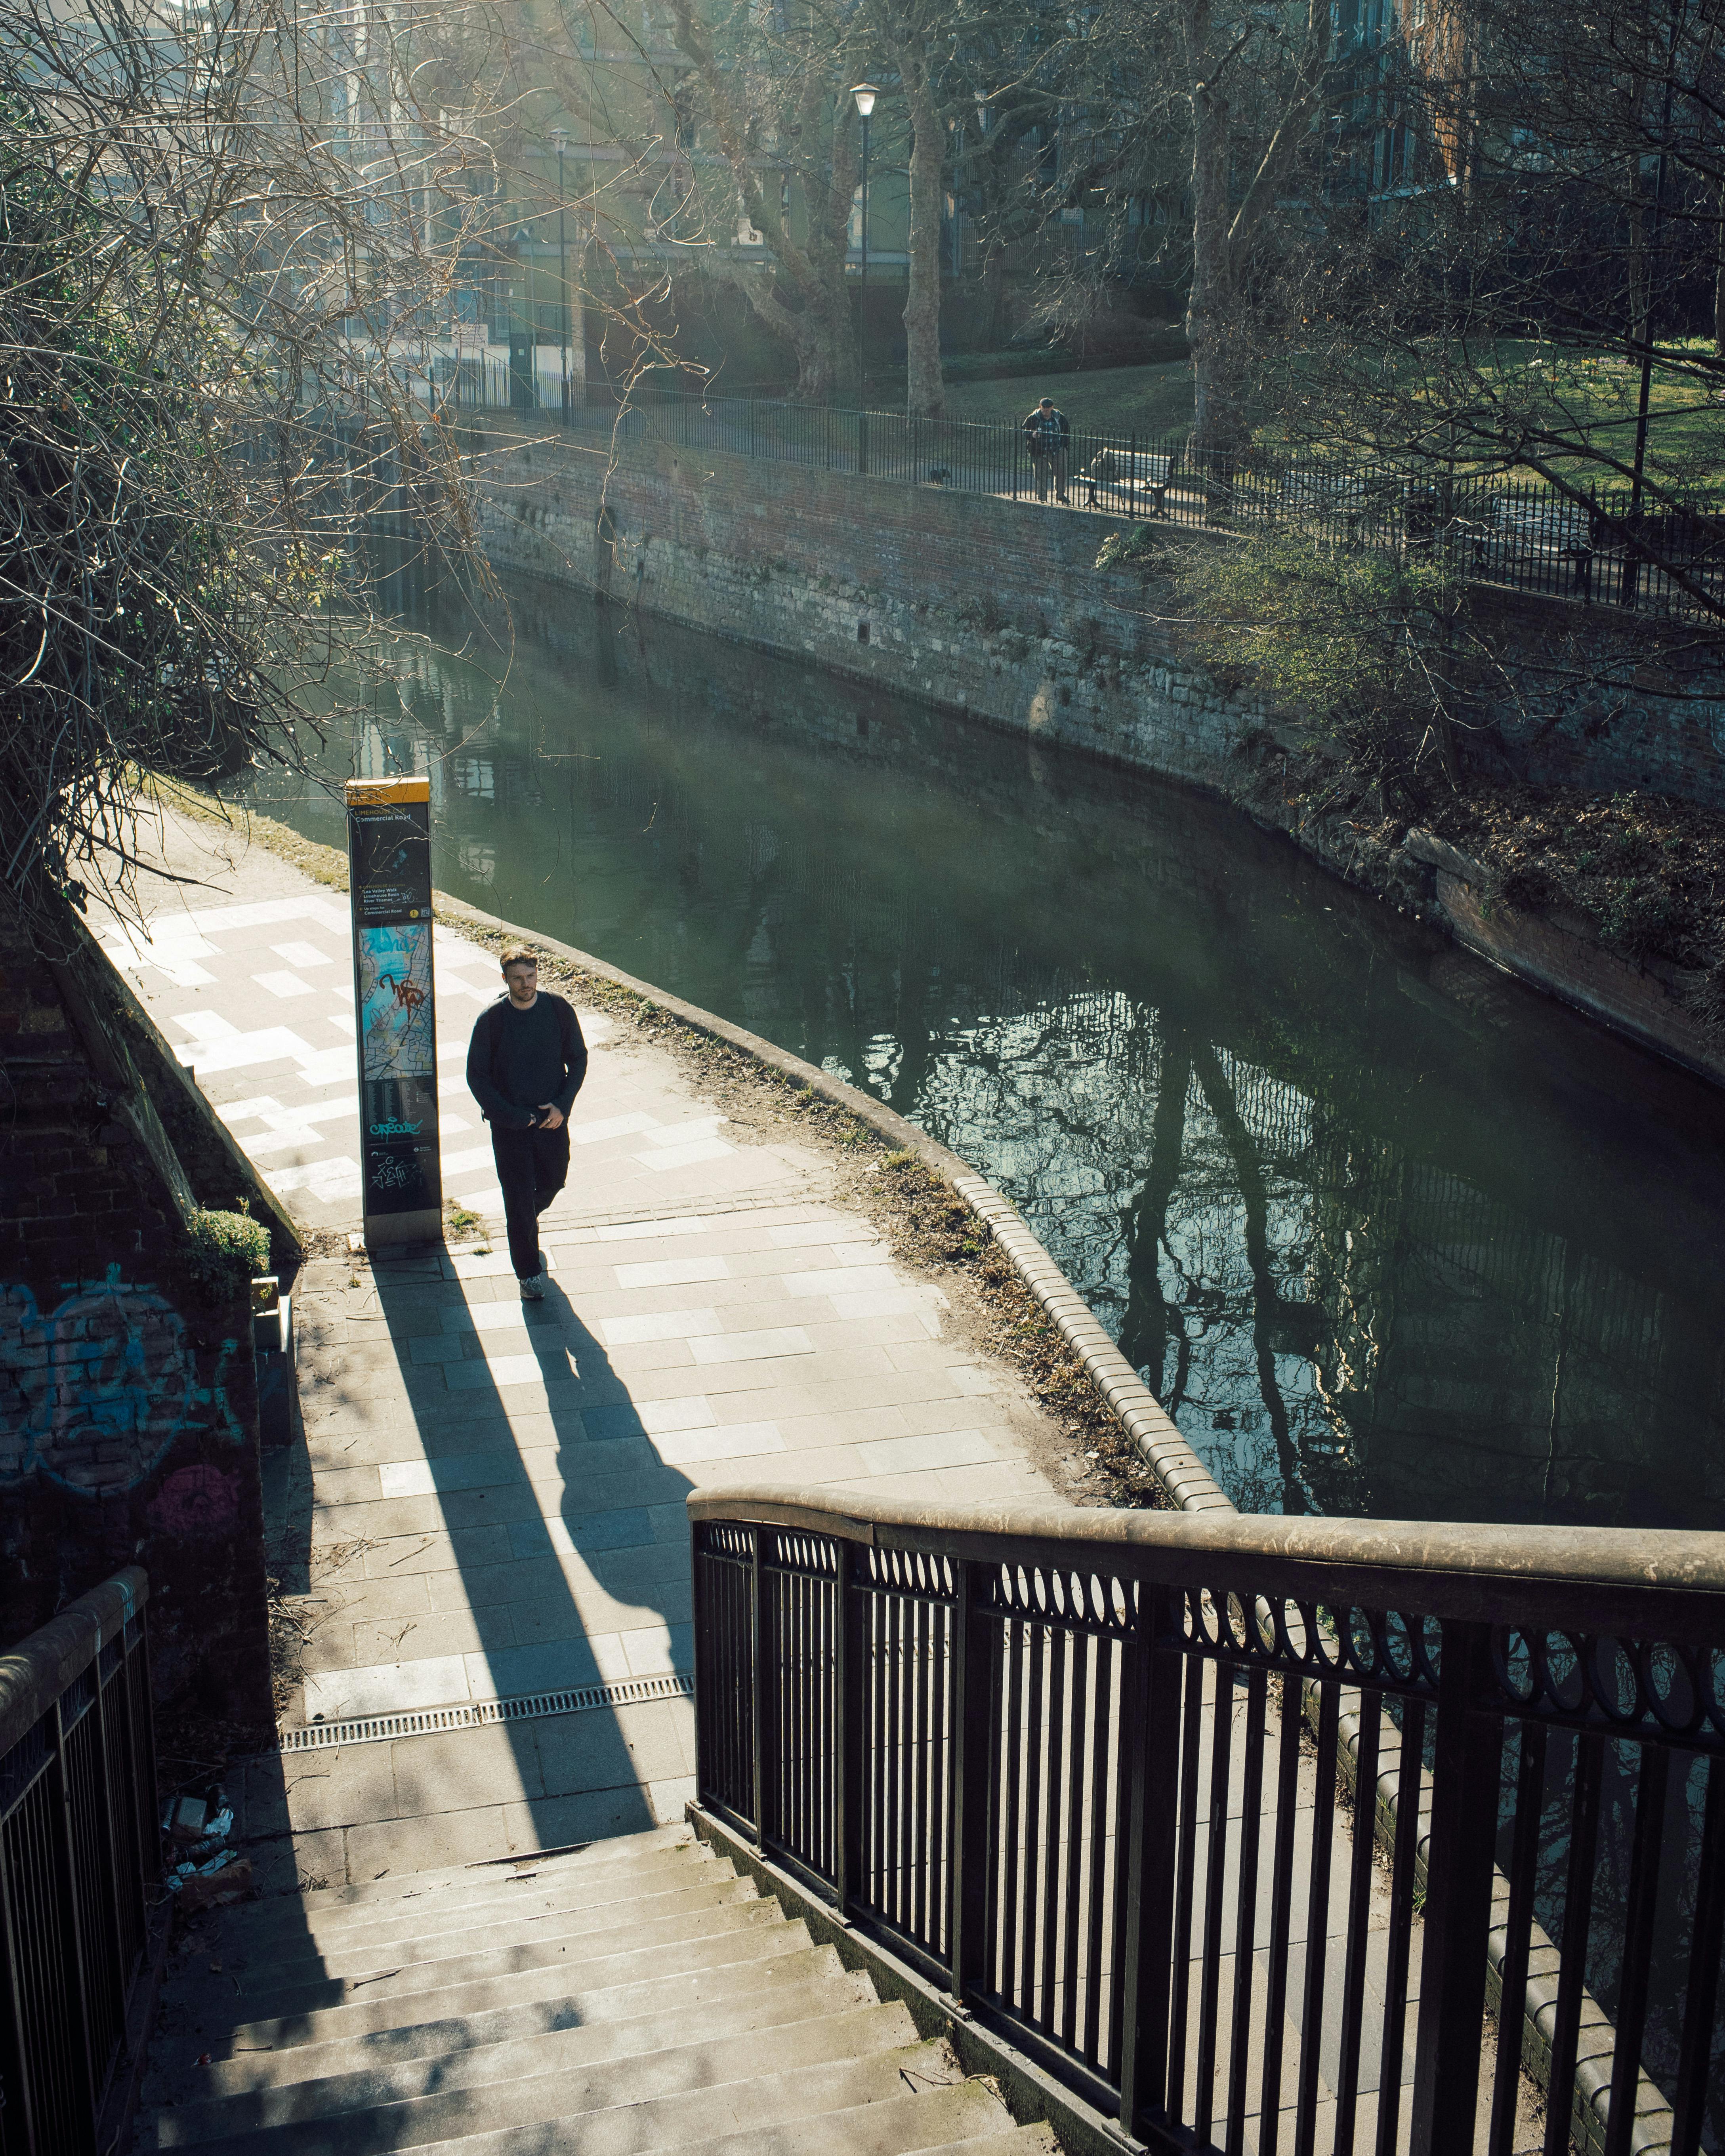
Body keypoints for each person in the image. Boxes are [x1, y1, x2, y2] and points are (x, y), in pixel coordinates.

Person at [465, 949, 588, 1298]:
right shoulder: (491, 1020)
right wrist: (512, 1116)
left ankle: (523, 1223)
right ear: (505, 979)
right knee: (518, 1200)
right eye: (518, 978)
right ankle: (528, 1274)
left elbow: (578, 1060)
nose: (526, 984)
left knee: (554, 1181)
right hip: (510, 1129)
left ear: (538, 974)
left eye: (531, 976)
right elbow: (478, 1078)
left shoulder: (558, 1009)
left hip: (552, 1121)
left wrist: (563, 1106)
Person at [1023, 396, 1071, 504]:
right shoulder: (1033, 418)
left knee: (1061, 473)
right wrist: (1032, 435)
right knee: (1041, 475)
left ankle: (1060, 495)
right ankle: (1042, 497)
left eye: (1048, 408)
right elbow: (1023, 431)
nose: (1046, 410)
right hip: (1040, 451)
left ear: (1052, 408)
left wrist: (1064, 446)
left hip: (1058, 449)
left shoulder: (1059, 417)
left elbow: (1067, 431)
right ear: (1040, 407)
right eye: (1044, 408)